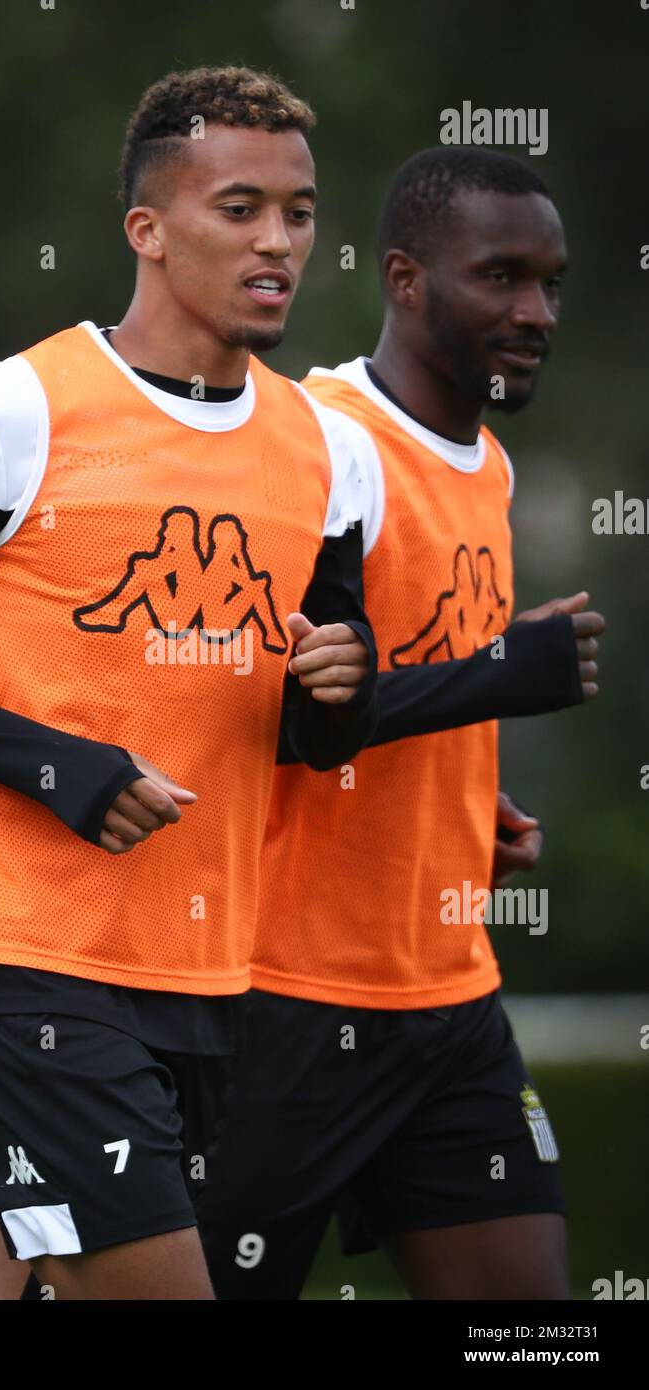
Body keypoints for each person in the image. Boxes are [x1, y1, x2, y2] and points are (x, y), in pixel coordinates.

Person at [0, 66, 380, 1301]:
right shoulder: (11, 410)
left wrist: (340, 697)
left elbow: (305, 737)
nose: (280, 241)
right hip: (19, 971)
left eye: (302, 211)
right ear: (147, 232)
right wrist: (60, 769)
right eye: (240, 206)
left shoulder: (333, 454)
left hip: (210, 981)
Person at [195, 147, 605, 1300]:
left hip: (450, 1000)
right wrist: (494, 677)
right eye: (503, 277)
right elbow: (256, 715)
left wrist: (463, 808)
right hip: (283, 1004)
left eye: (553, 283)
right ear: (407, 279)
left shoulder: (490, 466)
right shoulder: (316, 445)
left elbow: (395, 696)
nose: (535, 312)